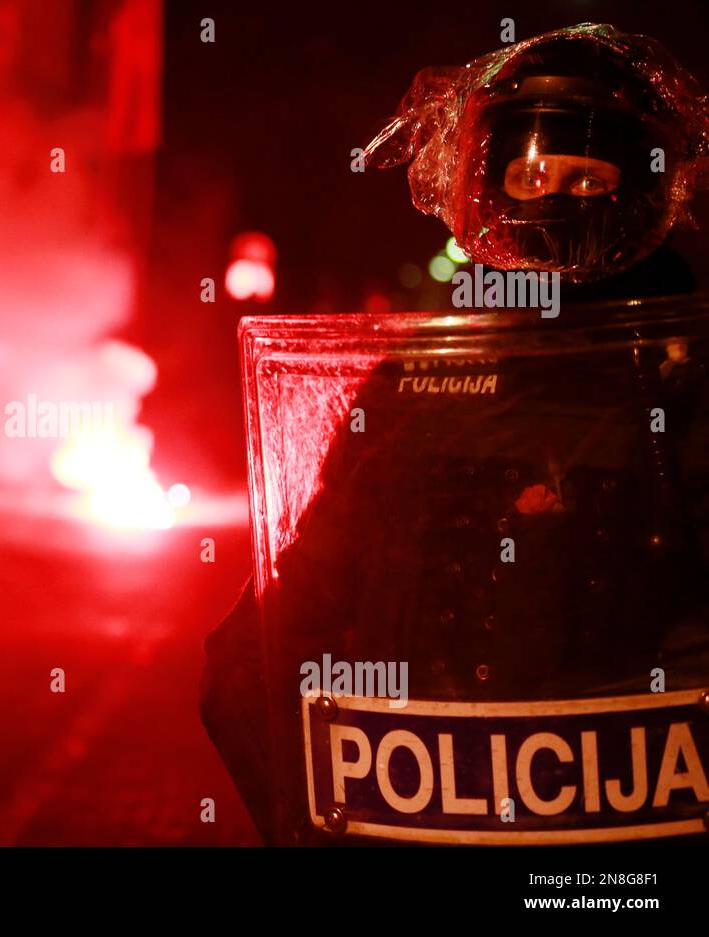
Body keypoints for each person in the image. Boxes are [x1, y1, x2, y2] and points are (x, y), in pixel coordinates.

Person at [202, 24, 709, 845]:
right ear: (487, 185)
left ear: (644, 190)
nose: (557, 196)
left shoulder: (687, 379)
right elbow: (291, 614)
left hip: (625, 836)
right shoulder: (419, 381)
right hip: (433, 810)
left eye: (589, 176)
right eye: (534, 172)